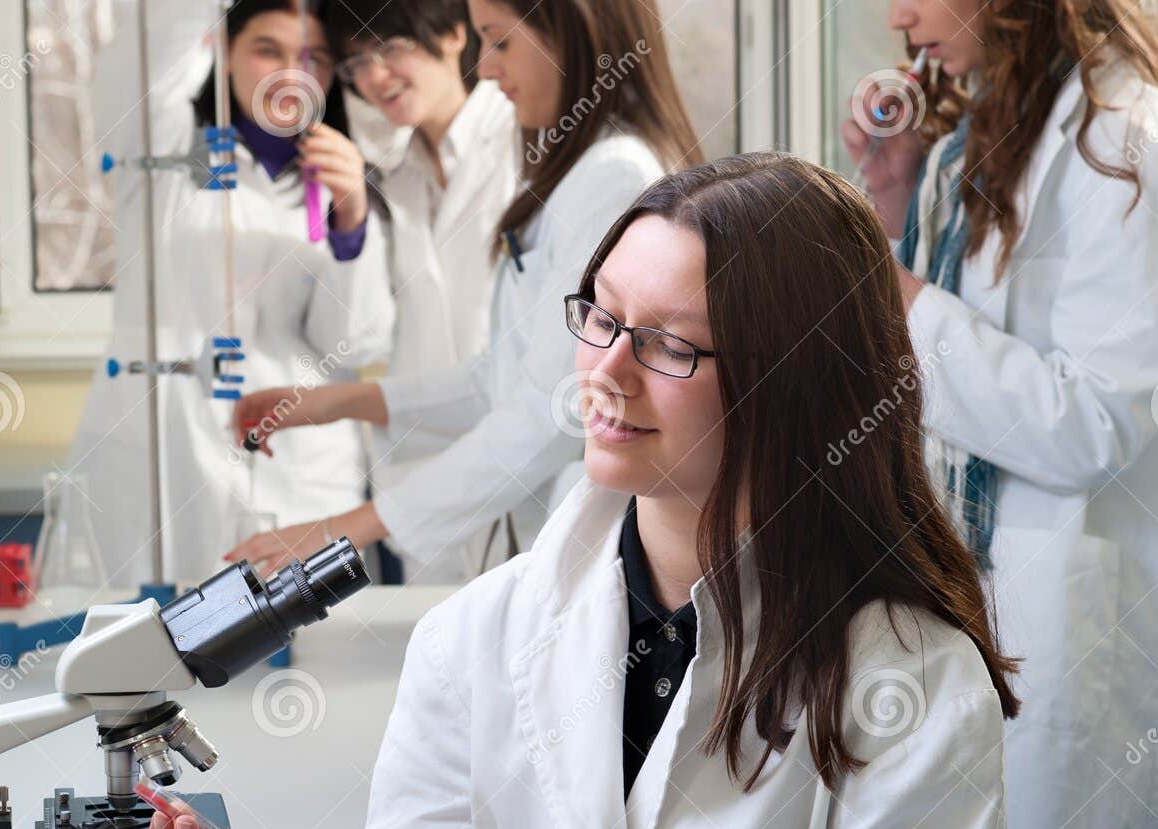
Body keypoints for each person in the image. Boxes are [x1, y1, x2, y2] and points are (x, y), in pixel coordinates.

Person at [148, 155, 1087, 829]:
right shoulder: (476, 638)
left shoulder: (911, 678)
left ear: (797, 378)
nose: (606, 370)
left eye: (668, 344)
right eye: (600, 317)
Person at [843, 0, 1158, 829]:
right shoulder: (987, 135)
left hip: (1075, 628)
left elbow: (1091, 427)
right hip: (976, 605)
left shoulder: (1129, 143)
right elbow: (953, 363)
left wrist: (901, 292)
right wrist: (892, 197)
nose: (896, 15)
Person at [227, 0, 700, 578]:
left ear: (570, 31)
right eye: (356, 64)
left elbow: (551, 408)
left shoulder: (609, 172)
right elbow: (501, 374)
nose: (489, 68)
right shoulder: (568, 165)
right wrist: (341, 402)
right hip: (474, 499)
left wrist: (350, 526)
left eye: (499, 43)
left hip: (560, 511)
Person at [64, 0, 393, 586]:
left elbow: (352, 342)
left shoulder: (347, 175)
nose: (291, 72)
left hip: (295, 460)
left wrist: (351, 222)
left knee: (305, 654)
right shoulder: (160, 150)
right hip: (164, 444)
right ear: (223, 50)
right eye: (267, 49)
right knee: (148, 642)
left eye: (312, 57)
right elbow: (148, 51)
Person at [315, 0, 519, 583]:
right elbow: (360, 335)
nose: (375, 77)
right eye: (357, 62)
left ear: (456, 33)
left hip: (526, 477)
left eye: (392, 48)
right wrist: (351, 213)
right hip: (423, 479)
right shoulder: (392, 182)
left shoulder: (528, 148)